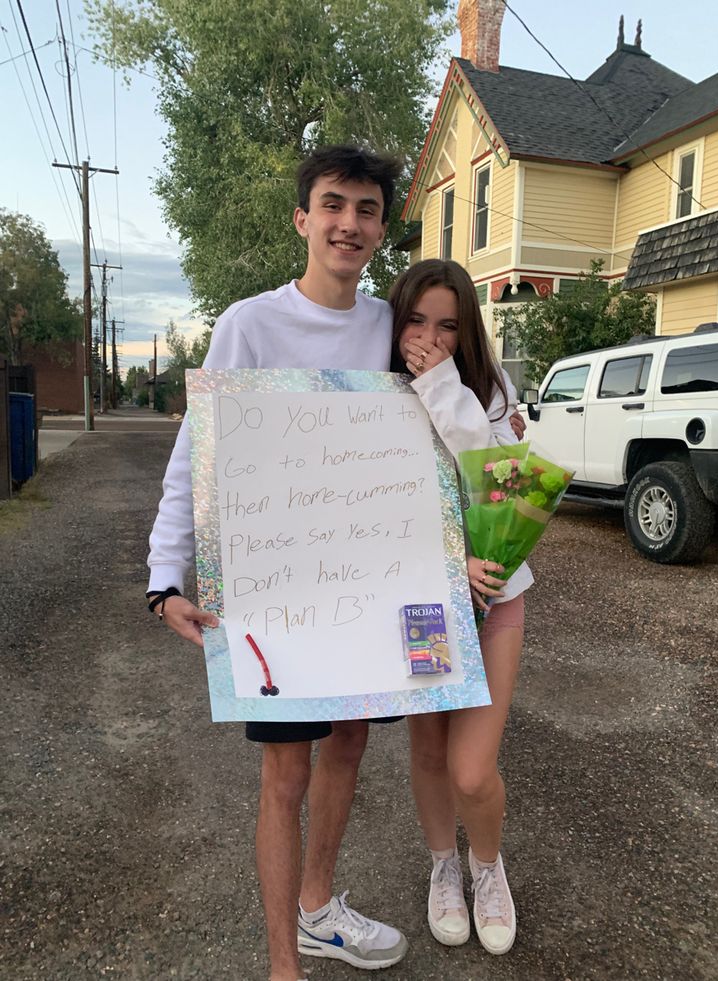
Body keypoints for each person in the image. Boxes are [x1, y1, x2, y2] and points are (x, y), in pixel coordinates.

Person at [145, 145, 410, 981]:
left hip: (366, 583)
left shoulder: (389, 327)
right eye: (334, 204)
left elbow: (445, 421)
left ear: (381, 229)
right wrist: (165, 577)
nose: (349, 223)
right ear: (303, 218)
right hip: (275, 587)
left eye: (366, 210)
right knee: (285, 771)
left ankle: (319, 905)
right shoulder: (248, 324)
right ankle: (282, 967)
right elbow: (201, 453)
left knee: (353, 741)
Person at [389, 258, 533, 957]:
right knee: (427, 749)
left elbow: (504, 482)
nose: (430, 338)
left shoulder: (489, 390)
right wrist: (443, 563)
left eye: (448, 325)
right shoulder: (375, 392)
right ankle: (443, 862)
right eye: (417, 320)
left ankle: (486, 864)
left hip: (493, 599)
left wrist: (444, 387)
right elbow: (370, 514)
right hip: (421, 603)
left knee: (472, 768)